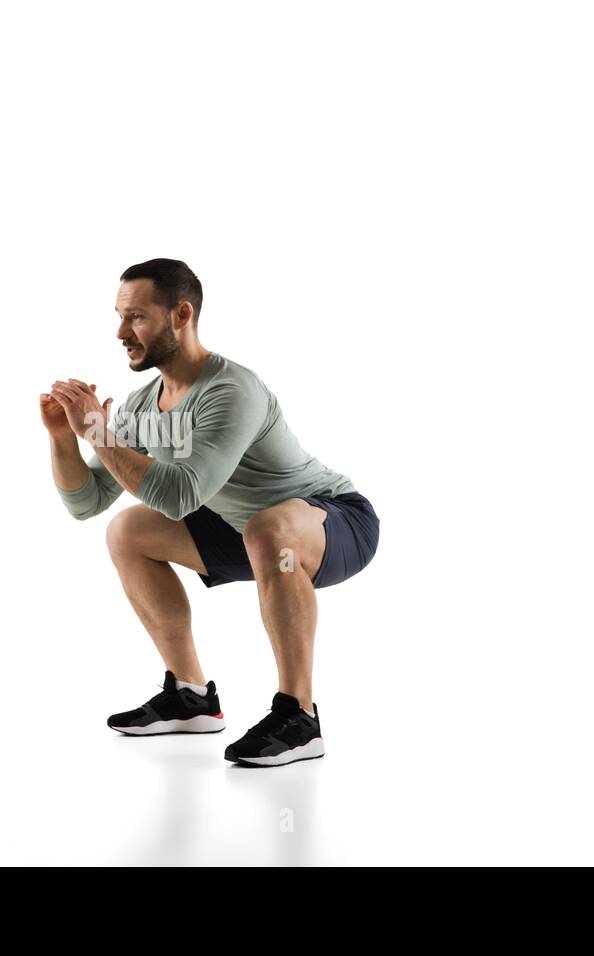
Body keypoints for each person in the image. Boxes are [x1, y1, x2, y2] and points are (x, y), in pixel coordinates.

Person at [41, 258, 379, 767]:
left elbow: (179, 495)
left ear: (181, 314)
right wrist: (65, 440)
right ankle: (190, 696)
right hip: (245, 533)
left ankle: (299, 717)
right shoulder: (139, 406)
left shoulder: (230, 390)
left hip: (333, 523)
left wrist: (98, 433)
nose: (120, 332)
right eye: (119, 316)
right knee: (127, 529)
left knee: (270, 528)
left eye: (136, 317)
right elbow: (84, 502)